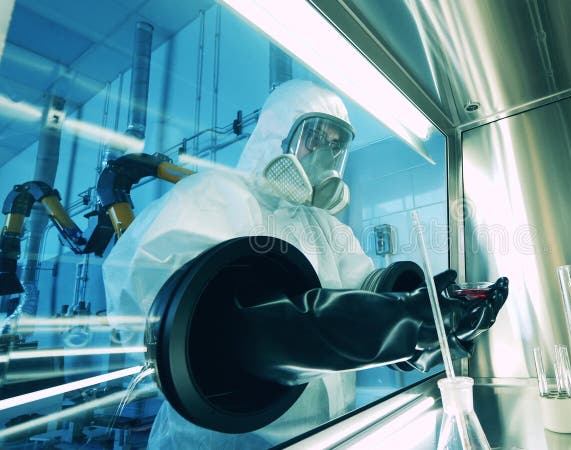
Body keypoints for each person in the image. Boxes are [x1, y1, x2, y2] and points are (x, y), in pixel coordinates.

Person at [102, 80, 374, 448]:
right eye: (314, 137)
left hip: (326, 437)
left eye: (335, 145)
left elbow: (369, 292)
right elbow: (145, 299)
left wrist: (416, 303)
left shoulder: (325, 227)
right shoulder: (213, 197)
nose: (323, 154)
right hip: (222, 439)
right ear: (277, 132)